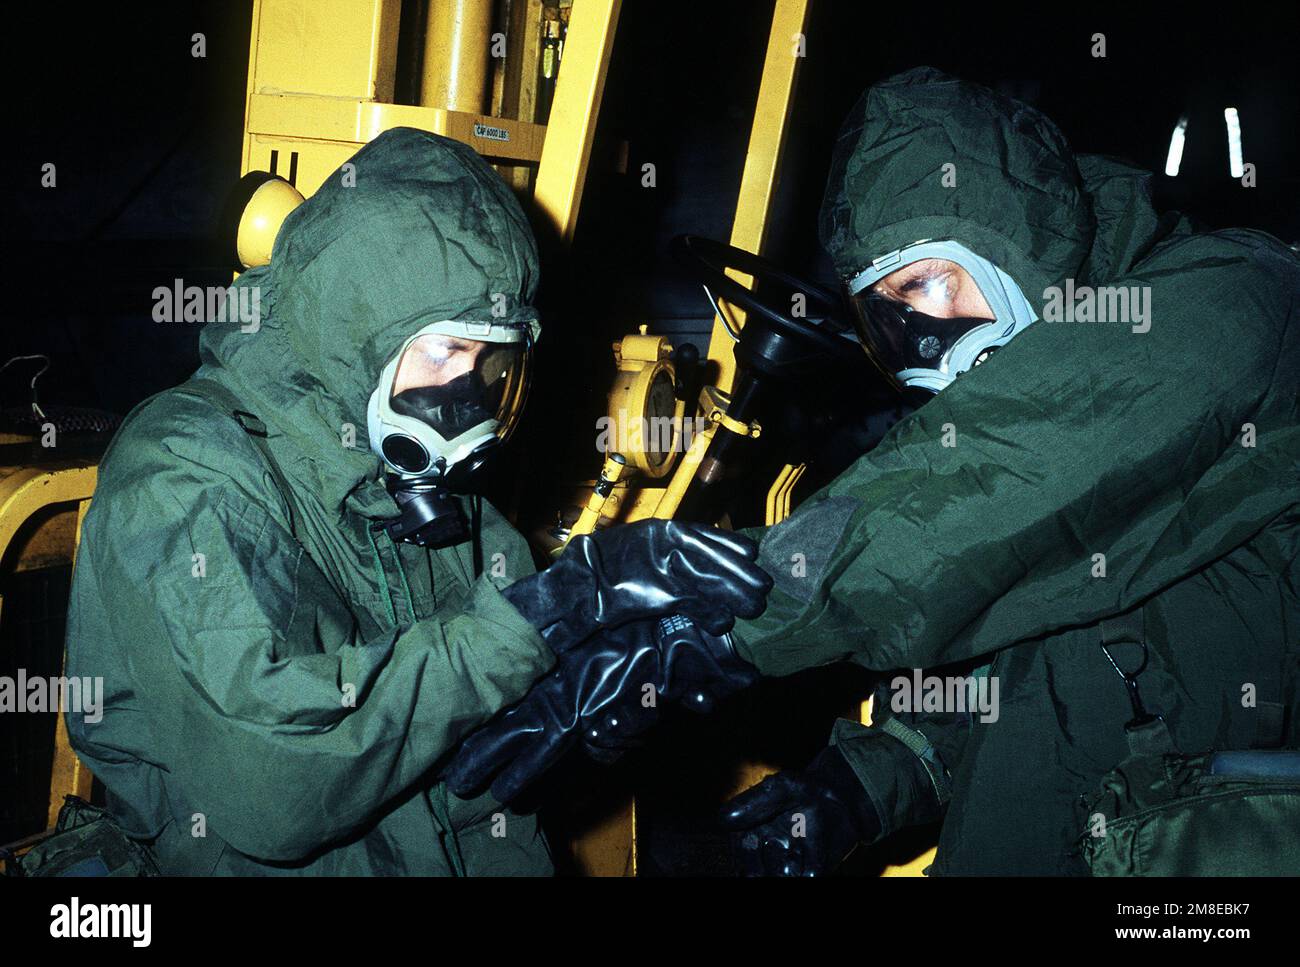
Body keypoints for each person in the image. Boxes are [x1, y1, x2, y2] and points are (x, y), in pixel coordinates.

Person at [447, 68, 1299, 875]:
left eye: (929, 283)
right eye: (887, 315)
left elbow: (979, 495)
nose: (920, 342)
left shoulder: (1237, 305)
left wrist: (720, 619)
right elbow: (1020, 655)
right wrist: (873, 777)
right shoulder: (1026, 436)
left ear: (1018, 243)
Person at [63, 127, 770, 876]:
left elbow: (484, 722)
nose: (466, 397)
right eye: (441, 352)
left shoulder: (416, 481)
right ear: (352, 332)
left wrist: (603, 672)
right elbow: (275, 786)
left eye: (489, 361)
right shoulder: (183, 473)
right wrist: (531, 622)